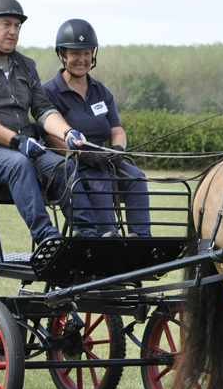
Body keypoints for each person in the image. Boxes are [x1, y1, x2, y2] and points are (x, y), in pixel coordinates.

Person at [0, 0, 99, 245]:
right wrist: (16, 141)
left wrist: (68, 132)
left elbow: (43, 110)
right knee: (19, 164)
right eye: (6, 24)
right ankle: (48, 240)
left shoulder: (26, 66)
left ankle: (90, 238)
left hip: (20, 145)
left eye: (17, 26)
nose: (13, 32)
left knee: (65, 167)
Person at [42, 19, 151, 237]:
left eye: (87, 53)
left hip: (102, 160)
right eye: (75, 54)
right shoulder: (49, 91)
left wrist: (118, 150)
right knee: (101, 183)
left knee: (136, 178)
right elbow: (49, 138)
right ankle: (106, 240)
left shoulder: (101, 91)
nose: (82, 60)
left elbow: (117, 130)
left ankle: (141, 242)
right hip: (71, 164)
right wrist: (81, 156)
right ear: (62, 55)